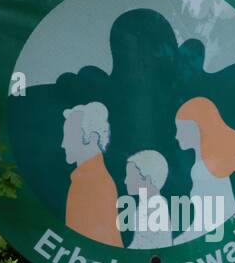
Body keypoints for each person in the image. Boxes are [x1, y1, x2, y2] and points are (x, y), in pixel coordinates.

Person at [172, 96, 235, 244]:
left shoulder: (205, 169)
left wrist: (180, 242)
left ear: (196, 129)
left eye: (180, 129)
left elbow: (212, 220)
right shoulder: (207, 166)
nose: (177, 136)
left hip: (217, 238)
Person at [61, 102, 121, 247]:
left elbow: (98, 247)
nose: (63, 144)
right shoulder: (86, 179)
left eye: (70, 136)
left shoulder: (93, 182)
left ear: (92, 137)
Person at [123, 150, 172, 250]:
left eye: (131, 176)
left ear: (147, 179)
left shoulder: (154, 207)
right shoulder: (146, 205)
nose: (125, 181)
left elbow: (144, 248)